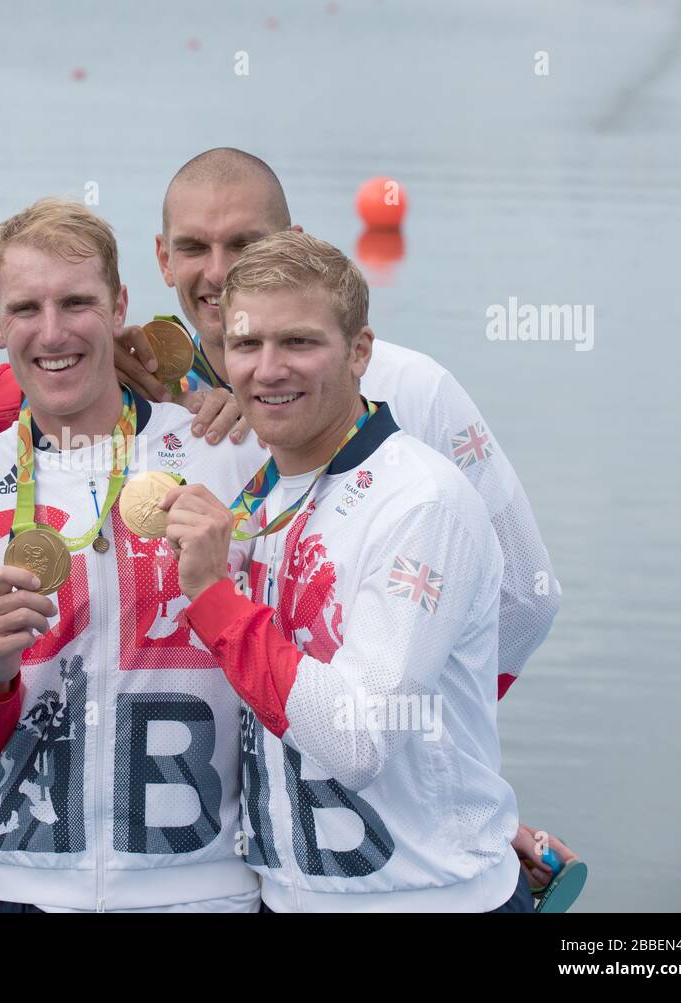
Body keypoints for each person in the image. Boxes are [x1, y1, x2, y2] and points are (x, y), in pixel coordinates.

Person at [0, 147, 573, 884]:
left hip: (402, 860)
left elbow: (523, 596)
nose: (215, 272)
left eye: (243, 244)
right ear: (162, 260)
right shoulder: (188, 404)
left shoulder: (412, 386)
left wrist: (450, 780)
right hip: (280, 875)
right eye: (193, 249)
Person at [166, 230, 526, 910]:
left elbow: (358, 738)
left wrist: (215, 597)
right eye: (246, 345)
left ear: (361, 350)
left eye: (299, 342)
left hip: (428, 899)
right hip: (289, 894)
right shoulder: (262, 495)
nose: (267, 370)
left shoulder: (423, 500)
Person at [0, 198, 267, 912]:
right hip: (16, 890)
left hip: (201, 891)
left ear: (119, 307)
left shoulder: (227, 450)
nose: (52, 332)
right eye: (25, 307)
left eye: (77, 302)